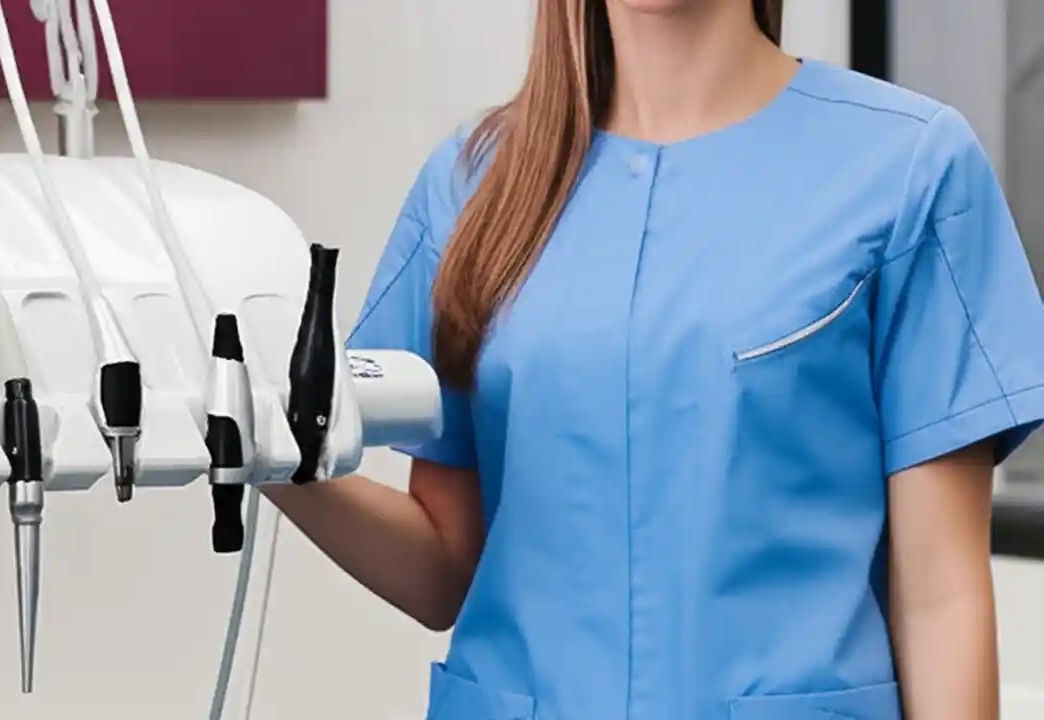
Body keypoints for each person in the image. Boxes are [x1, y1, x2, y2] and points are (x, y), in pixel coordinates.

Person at [266, 1, 1044, 717]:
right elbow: (443, 567)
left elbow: (941, 598)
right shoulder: (473, 184)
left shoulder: (906, 168)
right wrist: (268, 457)